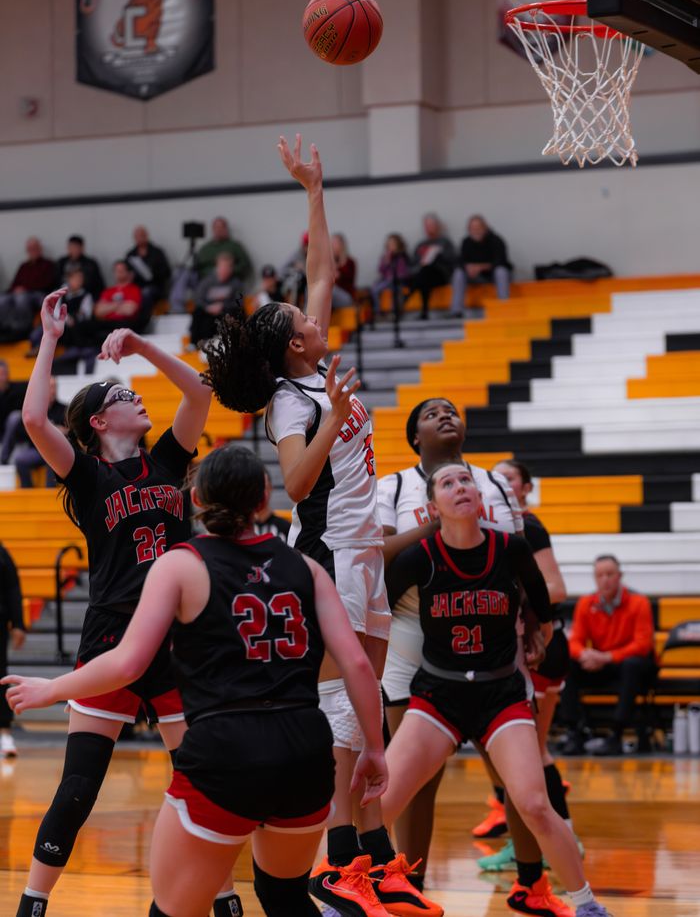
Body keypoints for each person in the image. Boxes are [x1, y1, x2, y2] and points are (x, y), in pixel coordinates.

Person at [202, 135, 441, 917]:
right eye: (299, 317)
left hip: (366, 548)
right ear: (291, 343)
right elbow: (295, 481)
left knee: (363, 703)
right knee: (344, 704)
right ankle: (337, 860)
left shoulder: (312, 363)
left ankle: (363, 861)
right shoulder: (290, 402)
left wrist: (313, 186)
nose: (312, 312)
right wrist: (336, 414)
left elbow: (322, 269)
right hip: (332, 550)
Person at [3, 443, 388, 917]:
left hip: (226, 746)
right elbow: (358, 666)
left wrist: (51, 688)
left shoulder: (181, 563)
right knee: (285, 898)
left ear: (197, 500)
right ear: (264, 499)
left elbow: (126, 664)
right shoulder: (305, 568)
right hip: (304, 747)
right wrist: (374, 746)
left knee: (173, 909)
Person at [5, 286, 217, 917]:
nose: (138, 396)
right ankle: (31, 905)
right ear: (99, 422)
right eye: (125, 395)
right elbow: (37, 419)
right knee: (77, 789)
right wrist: (48, 338)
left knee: (203, 781)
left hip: (180, 637)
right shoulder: (90, 477)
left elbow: (200, 393)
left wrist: (143, 348)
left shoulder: (171, 459)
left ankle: (218, 897)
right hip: (112, 637)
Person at [381, 462, 613, 917]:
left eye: (465, 480)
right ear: (433, 507)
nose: (460, 486)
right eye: (447, 483)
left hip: (500, 694)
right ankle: (348, 894)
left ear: (481, 497)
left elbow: (542, 604)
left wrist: (538, 635)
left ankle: (587, 905)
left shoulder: (511, 548)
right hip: (438, 695)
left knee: (534, 804)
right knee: (381, 802)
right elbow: (377, 607)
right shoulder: (419, 557)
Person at [377, 397, 522, 890]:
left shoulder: (494, 481)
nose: (445, 415)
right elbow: (378, 556)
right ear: (415, 436)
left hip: (487, 629)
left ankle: (529, 877)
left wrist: (530, 624)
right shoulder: (393, 485)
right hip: (411, 629)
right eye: (431, 413)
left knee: (511, 773)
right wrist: (440, 526)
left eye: (451, 410)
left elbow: (514, 552)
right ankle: (406, 885)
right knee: (414, 776)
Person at [477, 459, 579, 883]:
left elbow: (555, 588)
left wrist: (508, 595)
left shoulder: (529, 527)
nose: (501, 483)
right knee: (520, 755)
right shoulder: (496, 529)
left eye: (510, 477)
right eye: (495, 477)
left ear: (526, 487)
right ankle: (546, 839)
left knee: (529, 755)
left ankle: (548, 843)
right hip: (515, 648)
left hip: (537, 646)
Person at [560, 555, 656, 756]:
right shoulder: (586, 604)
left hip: (631, 667)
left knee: (632, 664)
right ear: (595, 578)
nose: (605, 579)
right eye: (600, 575)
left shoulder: (639, 603)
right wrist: (585, 654)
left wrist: (608, 657)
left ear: (619, 576)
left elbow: (642, 645)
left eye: (610, 574)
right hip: (602, 663)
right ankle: (575, 732)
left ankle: (617, 734)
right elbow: (574, 642)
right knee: (568, 663)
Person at [170, 217, 252, 313]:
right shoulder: (206, 248)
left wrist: (227, 270)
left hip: (227, 280)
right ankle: (177, 307)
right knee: (181, 273)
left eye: (221, 227)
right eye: (216, 227)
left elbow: (245, 265)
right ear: (213, 229)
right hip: (206, 279)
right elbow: (196, 266)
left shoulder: (234, 246)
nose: (219, 230)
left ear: (226, 229)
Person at [0, 377, 66, 488]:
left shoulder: (63, 409)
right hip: (37, 450)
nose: (53, 391)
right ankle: (28, 491)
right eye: (50, 387)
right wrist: (35, 429)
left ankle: (49, 494)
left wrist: (61, 431)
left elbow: (71, 431)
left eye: (54, 387)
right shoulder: (34, 410)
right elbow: (20, 432)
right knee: (20, 460)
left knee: (53, 461)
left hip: (55, 451)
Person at [450, 214, 512, 317]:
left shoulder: (496, 240)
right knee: (458, 274)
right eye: (473, 228)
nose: (476, 230)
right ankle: (456, 311)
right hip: (474, 277)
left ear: (485, 227)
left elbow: (501, 261)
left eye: (478, 227)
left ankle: (503, 308)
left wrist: (481, 267)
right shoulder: (466, 242)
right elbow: (459, 261)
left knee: (501, 271)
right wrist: (468, 268)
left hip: (492, 275)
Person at [26, 265, 94, 358]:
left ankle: (48, 352)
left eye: (81, 278)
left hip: (72, 328)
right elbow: (55, 310)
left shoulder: (86, 296)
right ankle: (37, 348)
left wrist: (73, 318)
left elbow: (86, 314)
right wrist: (65, 318)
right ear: (69, 279)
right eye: (76, 278)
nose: (79, 281)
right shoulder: (60, 292)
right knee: (38, 332)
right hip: (59, 321)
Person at [404, 215, 456, 320]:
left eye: (431, 225)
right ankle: (424, 312)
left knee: (426, 273)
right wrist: (422, 263)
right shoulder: (421, 244)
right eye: (427, 226)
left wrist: (438, 255)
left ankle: (407, 297)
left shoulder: (445, 242)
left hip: (440, 275)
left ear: (437, 226)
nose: (429, 228)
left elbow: (452, 260)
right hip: (423, 275)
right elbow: (412, 264)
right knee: (424, 275)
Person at [0, 543, 26, 758]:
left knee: (0, 678)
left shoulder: (2, 552)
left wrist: (18, 623)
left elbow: (12, 587)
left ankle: (5, 733)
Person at [0, 238, 55, 338]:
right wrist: (13, 290)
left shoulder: (48, 264)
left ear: (40, 249)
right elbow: (15, 283)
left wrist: (25, 289)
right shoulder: (24, 266)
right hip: (21, 292)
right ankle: (4, 327)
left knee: (21, 299)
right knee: (2, 300)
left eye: (35, 248)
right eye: (30, 249)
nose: (32, 251)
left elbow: (48, 283)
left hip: (38, 293)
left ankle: (22, 329)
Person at [189, 253, 243, 347]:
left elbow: (238, 301)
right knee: (197, 312)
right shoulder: (207, 282)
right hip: (208, 312)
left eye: (227, 267)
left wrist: (222, 306)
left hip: (225, 312)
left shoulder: (235, 283)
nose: (224, 270)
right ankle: (194, 343)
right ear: (217, 267)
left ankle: (236, 343)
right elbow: (198, 299)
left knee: (239, 313)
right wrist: (207, 307)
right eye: (222, 267)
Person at [126, 226, 172, 309]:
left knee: (146, 293)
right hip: (136, 286)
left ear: (146, 236)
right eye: (137, 236)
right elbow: (126, 271)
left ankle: (144, 320)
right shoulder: (131, 254)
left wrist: (151, 272)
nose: (139, 238)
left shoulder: (157, 252)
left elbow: (167, 272)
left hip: (155, 285)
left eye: (142, 236)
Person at [92, 260, 144, 332]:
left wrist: (108, 307)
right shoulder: (108, 291)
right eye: (116, 270)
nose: (119, 273)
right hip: (107, 323)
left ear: (128, 272)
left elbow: (130, 310)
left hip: (125, 323)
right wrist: (119, 304)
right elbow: (98, 312)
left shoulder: (134, 289)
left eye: (121, 270)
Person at [370, 233, 410, 317]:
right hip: (386, 281)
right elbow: (381, 270)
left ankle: (393, 313)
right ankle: (377, 310)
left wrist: (392, 277)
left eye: (393, 244)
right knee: (374, 287)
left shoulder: (401, 257)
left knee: (394, 290)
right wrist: (386, 262)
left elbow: (404, 273)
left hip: (398, 282)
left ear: (398, 245)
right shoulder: (385, 257)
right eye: (389, 244)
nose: (390, 246)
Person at [55, 236, 104, 301]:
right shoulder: (61, 262)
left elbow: (97, 284)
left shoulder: (90, 264)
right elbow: (56, 281)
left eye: (76, 247)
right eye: (72, 247)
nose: (74, 250)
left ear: (82, 248)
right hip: (64, 294)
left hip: (83, 295)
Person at [252, 465, 291, 542]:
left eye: (263, 487)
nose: (259, 492)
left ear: (270, 488)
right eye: (255, 487)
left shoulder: (285, 528)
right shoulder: (241, 529)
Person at [0, 362, 27, 447]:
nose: (0, 378)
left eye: (2, 374)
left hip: (14, 432)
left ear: (8, 375)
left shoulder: (19, 390)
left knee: (14, 416)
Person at [331, 233, 356, 309]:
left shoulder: (350, 262)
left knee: (329, 291)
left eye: (334, 243)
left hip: (346, 296)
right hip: (332, 296)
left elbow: (344, 279)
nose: (332, 245)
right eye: (331, 243)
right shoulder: (329, 261)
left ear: (341, 245)